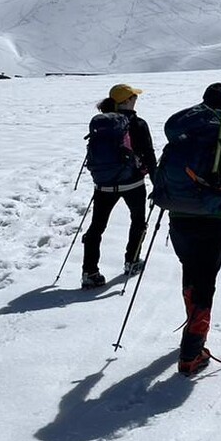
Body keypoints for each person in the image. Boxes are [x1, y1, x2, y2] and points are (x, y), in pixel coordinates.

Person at [151, 82, 221, 376]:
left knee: (191, 271)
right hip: (212, 218)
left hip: (178, 215)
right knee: (206, 280)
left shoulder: (182, 135)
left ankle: (192, 328)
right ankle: (191, 353)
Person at [81, 84, 157, 289]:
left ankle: (90, 272)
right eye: (134, 97)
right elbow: (149, 155)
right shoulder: (138, 124)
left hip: (104, 184)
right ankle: (132, 261)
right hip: (133, 183)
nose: (136, 100)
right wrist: (157, 182)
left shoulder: (101, 123)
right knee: (138, 222)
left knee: (97, 227)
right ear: (127, 101)